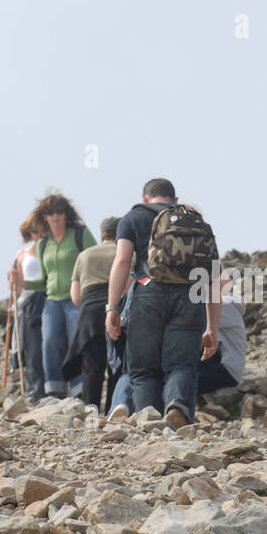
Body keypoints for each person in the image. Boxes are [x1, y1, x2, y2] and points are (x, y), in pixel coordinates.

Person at [105, 180, 221, 427]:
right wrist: (212, 327)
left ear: (145, 197)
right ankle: (178, 406)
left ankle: (150, 420)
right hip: (190, 296)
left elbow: (123, 260)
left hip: (148, 292)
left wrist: (112, 307)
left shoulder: (133, 218)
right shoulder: (194, 221)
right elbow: (213, 276)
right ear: (174, 199)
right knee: (181, 364)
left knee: (143, 370)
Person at [30, 193, 95, 397]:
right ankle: (54, 389)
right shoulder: (43, 245)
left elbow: (94, 261)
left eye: (59, 211)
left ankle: (79, 389)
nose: (55, 216)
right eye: (50, 212)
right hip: (52, 301)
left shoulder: (80, 234)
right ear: (45, 217)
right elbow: (43, 280)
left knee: (77, 343)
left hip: (77, 299)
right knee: (49, 341)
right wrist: (21, 282)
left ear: (66, 214)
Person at [63, 216, 129, 408]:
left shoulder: (84, 255)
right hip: (117, 312)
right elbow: (130, 285)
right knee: (116, 367)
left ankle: (90, 413)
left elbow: (76, 297)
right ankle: (112, 411)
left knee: (93, 369)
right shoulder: (126, 252)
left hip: (90, 316)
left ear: (102, 235)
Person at [8, 214, 47, 400]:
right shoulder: (22, 254)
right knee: (33, 350)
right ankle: (35, 393)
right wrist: (13, 281)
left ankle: (56, 389)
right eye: (34, 230)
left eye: (41, 230)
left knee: (53, 345)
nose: (38, 234)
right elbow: (19, 287)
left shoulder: (52, 250)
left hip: (50, 297)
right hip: (29, 301)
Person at [197, 277, 246, 395]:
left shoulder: (224, 306)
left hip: (228, 370)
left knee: (184, 382)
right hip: (221, 362)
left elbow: (194, 325)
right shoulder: (227, 304)